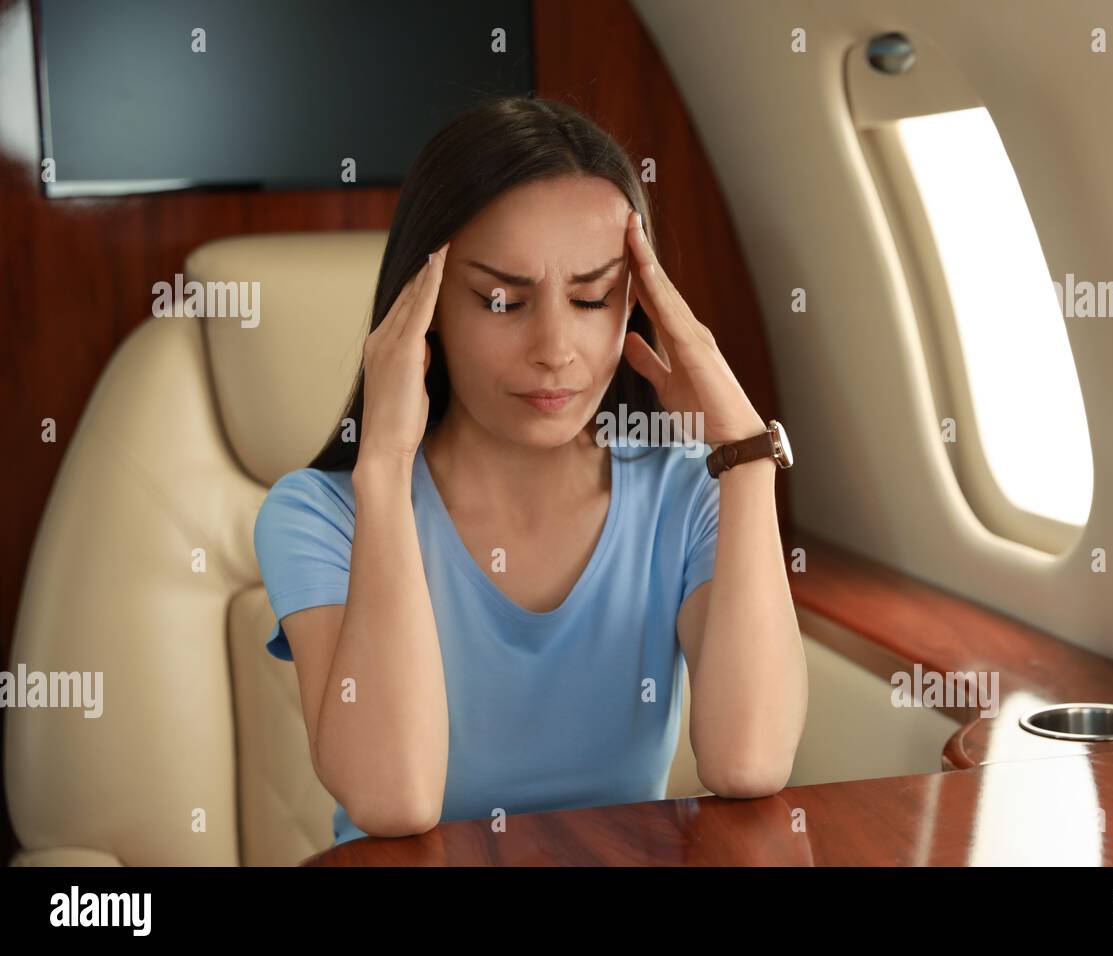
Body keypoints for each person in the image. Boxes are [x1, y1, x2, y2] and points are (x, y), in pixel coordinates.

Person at [253, 95, 807, 846]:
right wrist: (382, 468)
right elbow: (394, 801)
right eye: (502, 301)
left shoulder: (689, 493)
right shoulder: (319, 516)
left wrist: (744, 454)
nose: (554, 349)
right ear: (424, 309)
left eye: (592, 298)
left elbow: (750, 762)